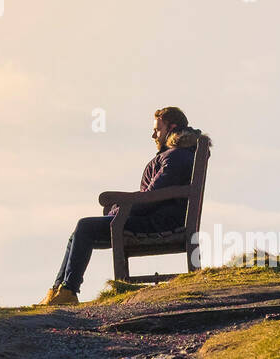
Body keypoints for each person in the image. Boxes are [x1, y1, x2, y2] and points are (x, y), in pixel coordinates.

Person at [40, 106, 201, 305]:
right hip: (157, 218)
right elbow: (153, 196)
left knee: (85, 227)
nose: (153, 135)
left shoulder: (176, 156)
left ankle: (68, 291)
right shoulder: (177, 154)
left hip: (159, 222)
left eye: (157, 130)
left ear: (172, 128)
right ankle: (59, 290)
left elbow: (151, 198)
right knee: (79, 233)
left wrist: (119, 210)